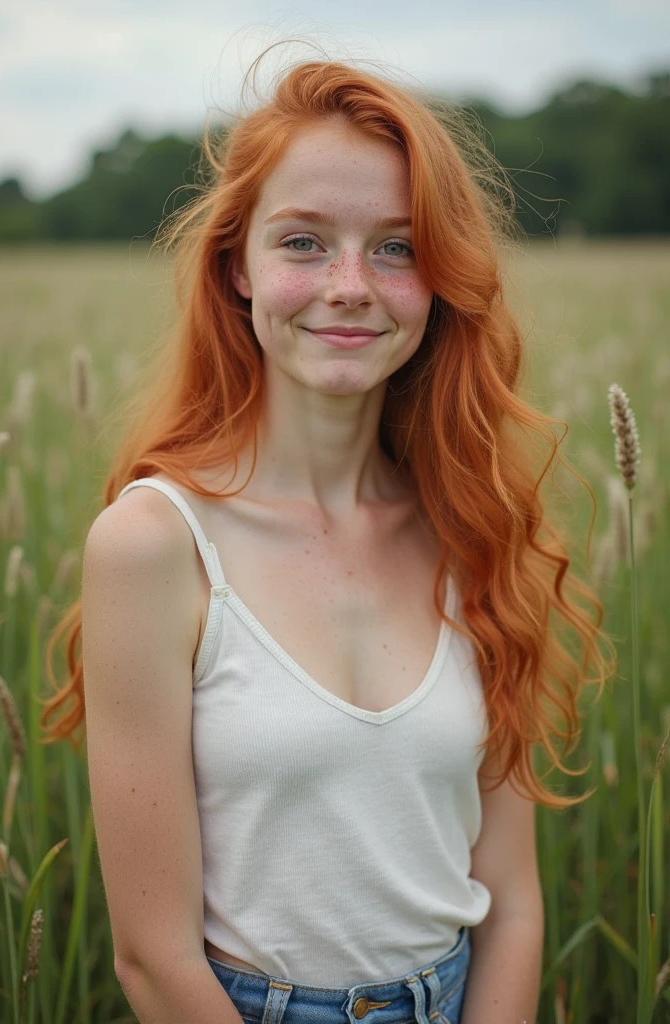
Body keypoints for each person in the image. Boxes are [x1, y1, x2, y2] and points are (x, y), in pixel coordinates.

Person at [42, 43, 615, 1024]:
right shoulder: (155, 545)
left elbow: (513, 907)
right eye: (303, 241)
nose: (351, 284)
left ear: (439, 281)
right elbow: (150, 955)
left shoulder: (471, 528)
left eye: (396, 247)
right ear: (237, 267)